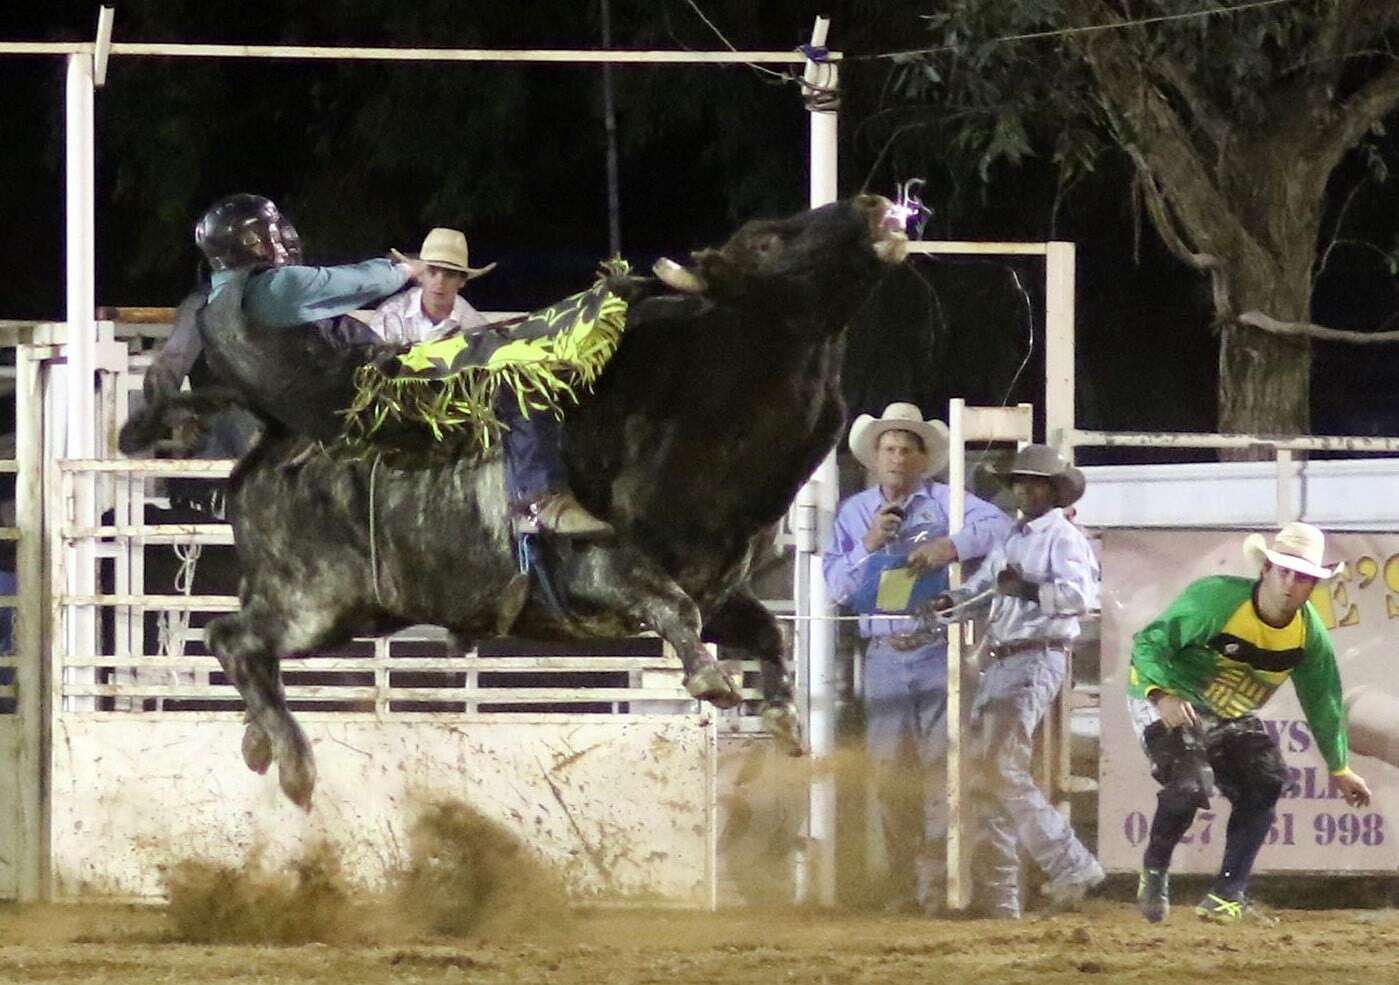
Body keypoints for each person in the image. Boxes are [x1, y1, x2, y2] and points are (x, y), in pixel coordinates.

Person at [1126, 521, 1371, 925]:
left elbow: (1322, 700)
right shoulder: (1215, 600)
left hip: (1229, 713)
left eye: (1303, 577)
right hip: (1168, 697)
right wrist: (1161, 695)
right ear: (1266, 571)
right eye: (1285, 571)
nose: (1291, 584)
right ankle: (1154, 870)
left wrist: (1339, 765)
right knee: (1189, 784)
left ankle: (1228, 893)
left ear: (1313, 587)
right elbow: (1149, 643)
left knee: (1266, 780)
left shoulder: (1309, 637)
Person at [823, 402, 1012, 914]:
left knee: (941, 769)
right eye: (889, 448)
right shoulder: (855, 514)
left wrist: (951, 545)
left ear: (921, 458)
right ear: (876, 457)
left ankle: (937, 887)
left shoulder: (949, 503)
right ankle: (904, 885)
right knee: (889, 773)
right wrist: (869, 545)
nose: (897, 457)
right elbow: (837, 588)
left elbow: (1000, 529)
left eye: (907, 449)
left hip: (937, 650)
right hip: (884, 652)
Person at [933, 444, 1103, 919]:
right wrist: (950, 602)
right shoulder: (1014, 537)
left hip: (1035, 656)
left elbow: (1080, 598)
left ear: (1052, 490)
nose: (1024, 489)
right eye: (1019, 482)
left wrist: (1026, 589)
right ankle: (999, 897)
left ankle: (1072, 864)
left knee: (998, 765)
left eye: (1034, 482)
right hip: (1005, 658)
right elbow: (983, 589)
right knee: (987, 773)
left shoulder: (1064, 539)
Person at [368, 228, 610, 537]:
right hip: (403, 409)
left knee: (522, 384)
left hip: (455, 409)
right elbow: (370, 376)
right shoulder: (392, 316)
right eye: (434, 271)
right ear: (421, 274)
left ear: (461, 281)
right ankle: (541, 498)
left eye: (450, 274)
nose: (440, 281)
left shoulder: (472, 325)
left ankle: (539, 499)